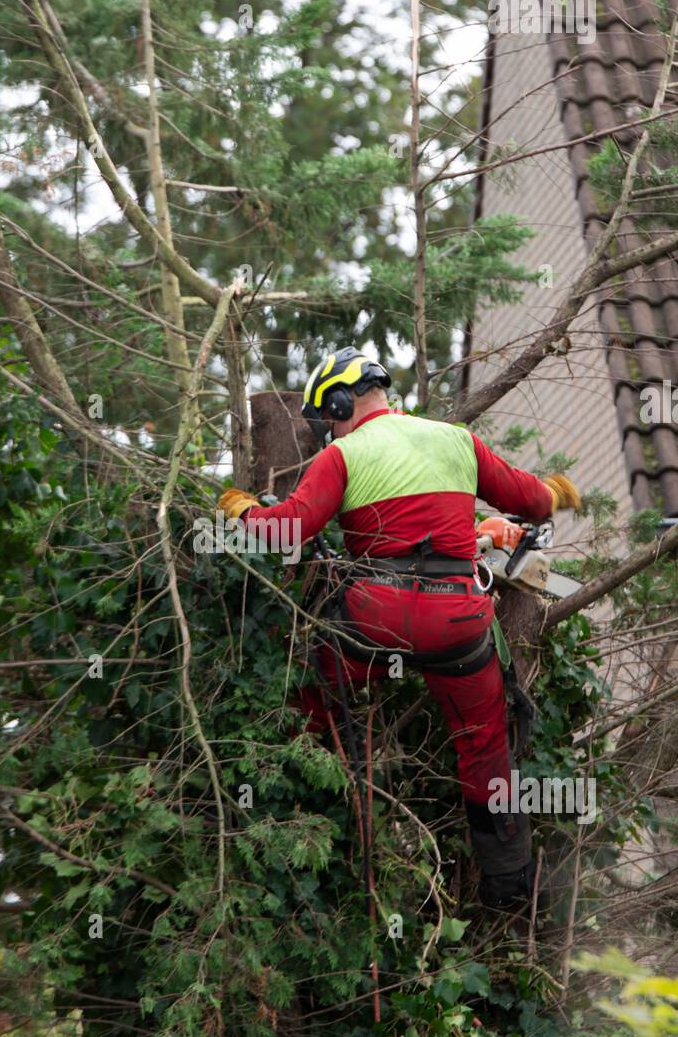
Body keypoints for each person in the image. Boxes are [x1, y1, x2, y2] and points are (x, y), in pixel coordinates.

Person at [218, 347, 582, 908]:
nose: (327, 429)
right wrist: (554, 491)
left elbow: (284, 530)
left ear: (337, 403)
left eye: (327, 418)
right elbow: (532, 501)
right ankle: (507, 885)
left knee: (308, 703)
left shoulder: (341, 457)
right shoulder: (455, 438)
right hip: (458, 621)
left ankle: (276, 823)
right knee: (484, 746)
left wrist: (242, 509)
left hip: (375, 621)